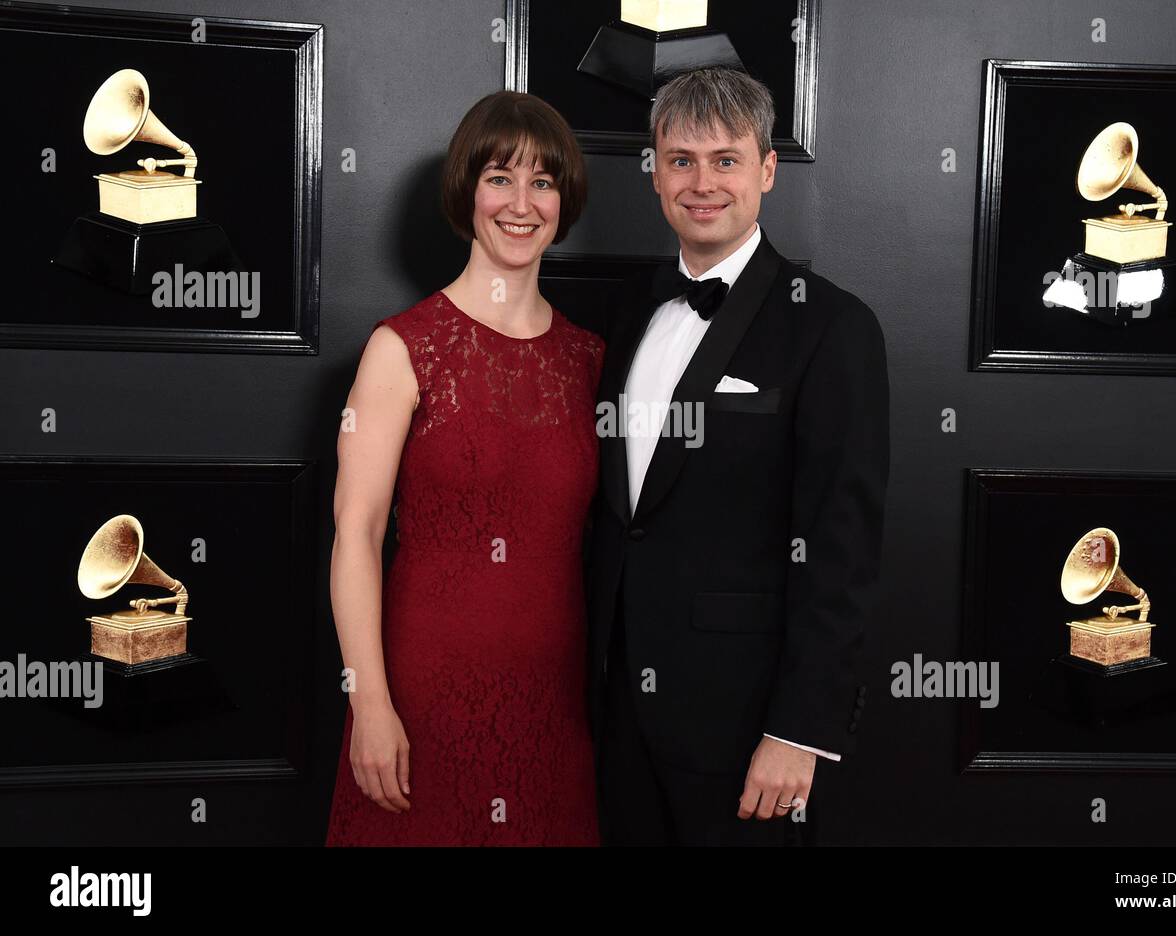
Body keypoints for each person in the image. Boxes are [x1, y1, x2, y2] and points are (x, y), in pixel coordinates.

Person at [586, 67, 891, 845]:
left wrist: (799, 730)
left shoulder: (832, 327)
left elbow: (841, 551)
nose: (702, 182)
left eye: (725, 159)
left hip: (747, 726)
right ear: (654, 172)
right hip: (613, 710)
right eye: (681, 159)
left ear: (766, 169)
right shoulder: (628, 310)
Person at [326, 91, 604, 845]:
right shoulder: (404, 348)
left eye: (543, 181)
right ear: (465, 191)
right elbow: (356, 535)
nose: (522, 203)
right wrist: (371, 704)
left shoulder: (588, 360)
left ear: (564, 200)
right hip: (421, 701)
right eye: (499, 177)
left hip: (553, 707)